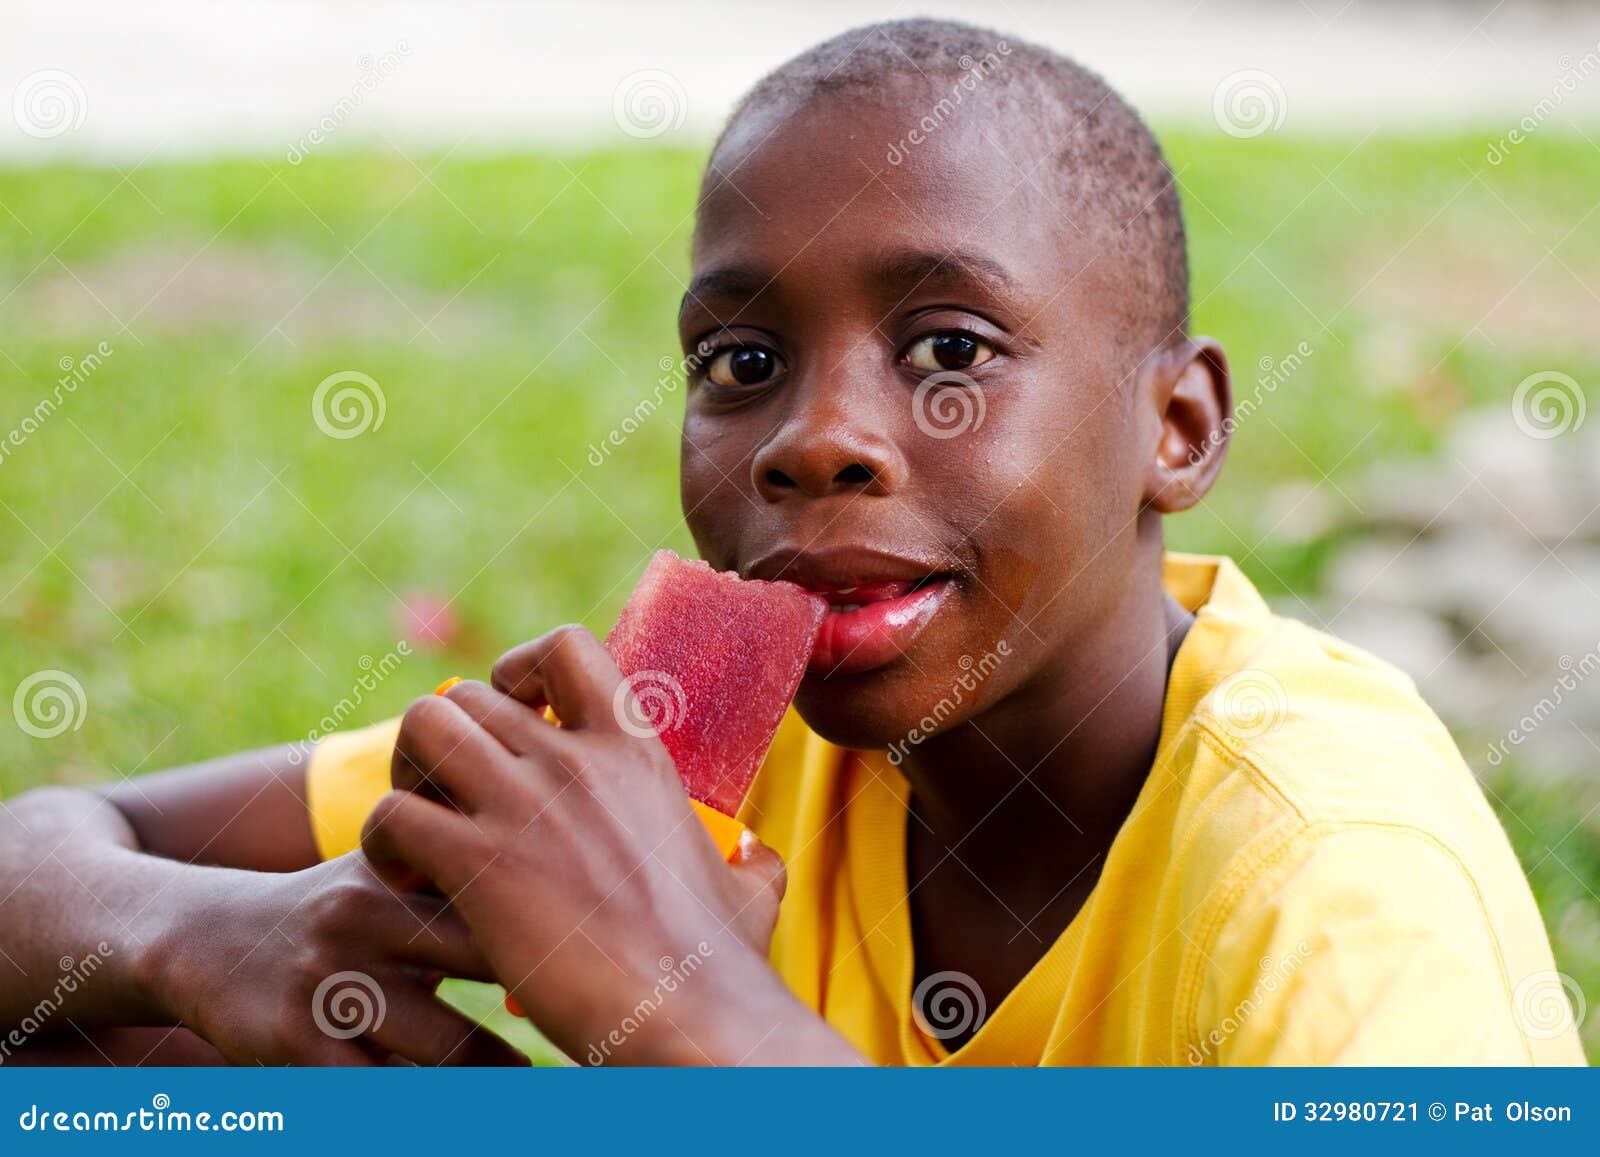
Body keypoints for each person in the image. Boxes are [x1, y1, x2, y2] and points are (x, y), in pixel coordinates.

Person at [0, 19, 1582, 1066]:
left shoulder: (1336, 871)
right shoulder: (715, 728)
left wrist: (684, 1002)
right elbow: (45, 848)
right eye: (738, 362)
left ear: (1178, 428)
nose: (810, 438)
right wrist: (211, 937)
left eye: (951, 348)